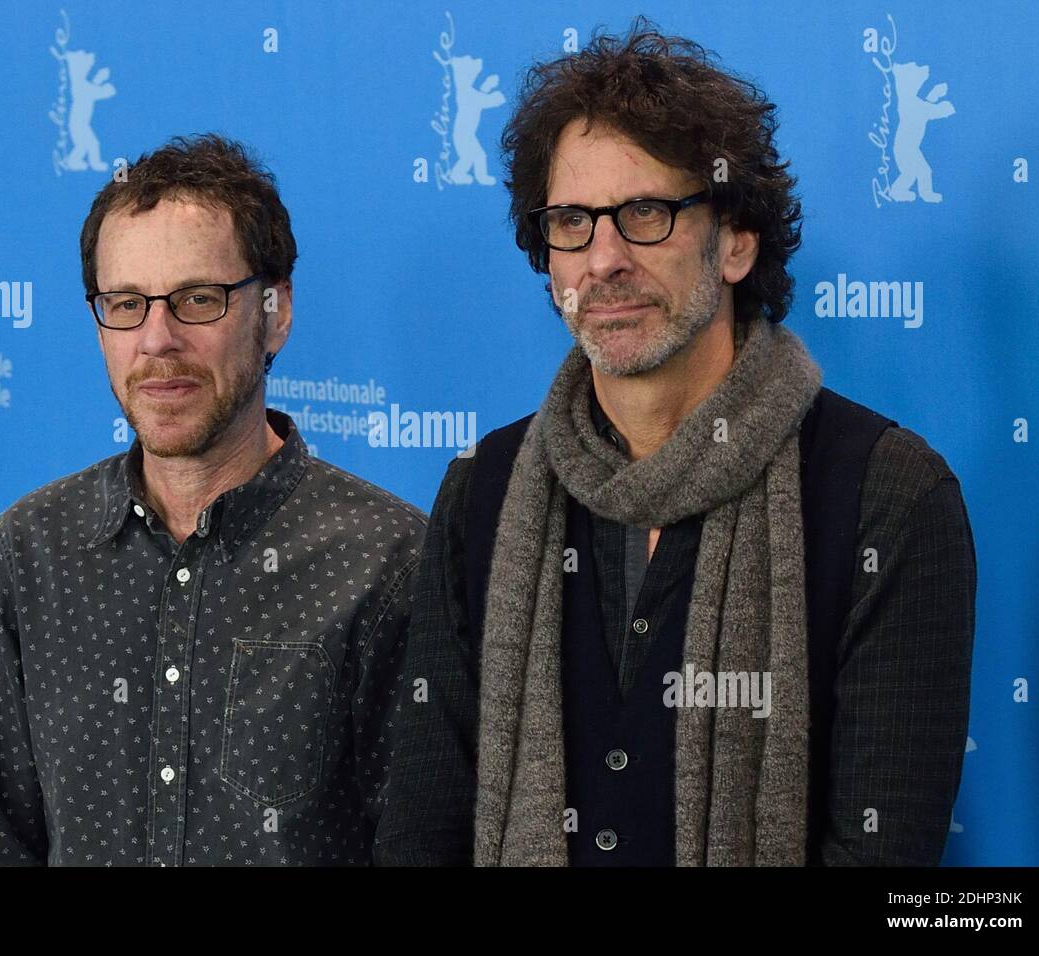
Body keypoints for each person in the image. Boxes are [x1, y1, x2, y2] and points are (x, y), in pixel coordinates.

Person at [375, 20, 976, 866]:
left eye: (646, 213)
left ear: (735, 240)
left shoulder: (888, 496)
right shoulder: (485, 487)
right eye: (572, 222)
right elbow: (423, 831)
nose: (605, 259)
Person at [0, 134, 425, 866]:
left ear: (276, 311)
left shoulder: (388, 559)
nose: (157, 340)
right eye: (125, 304)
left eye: (198, 299)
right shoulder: (30, 550)